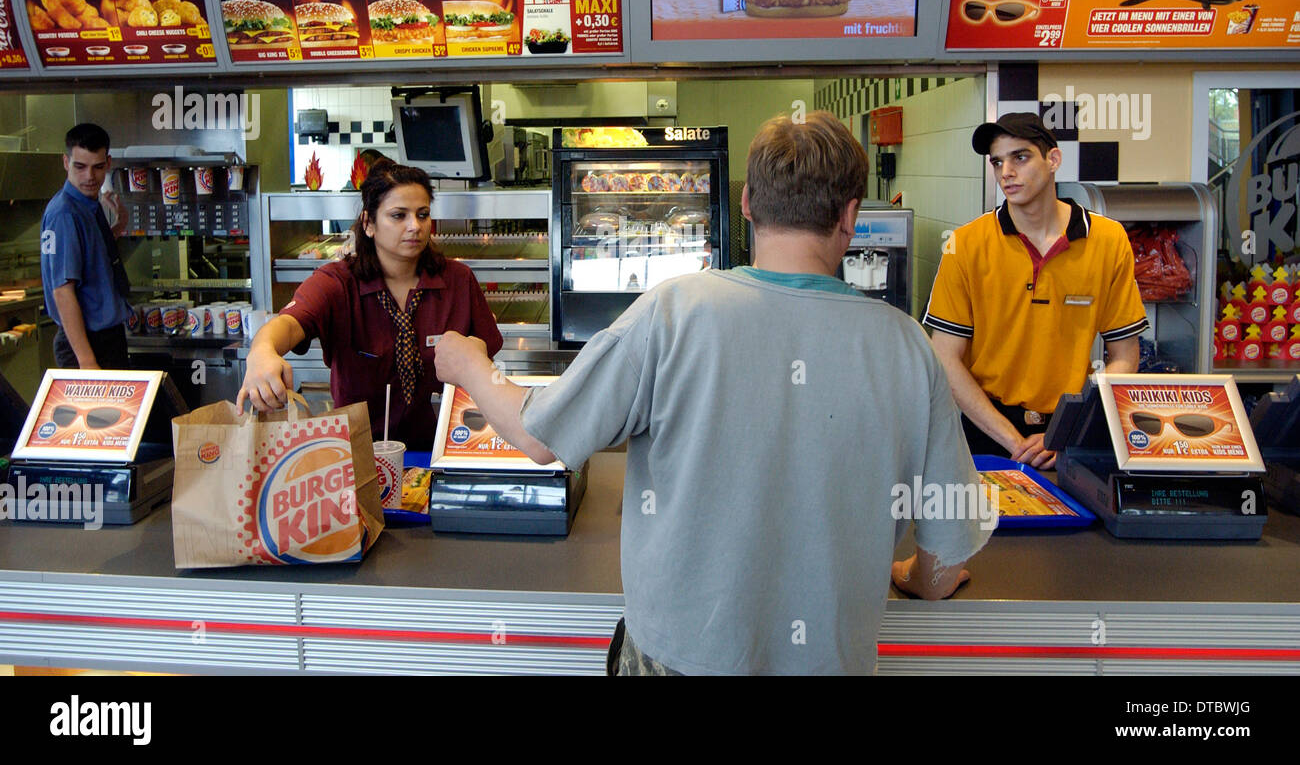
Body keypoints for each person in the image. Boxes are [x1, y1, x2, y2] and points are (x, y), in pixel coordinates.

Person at [435, 111, 988, 676]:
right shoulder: (906, 345)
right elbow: (942, 564)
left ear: (747, 203)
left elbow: (539, 437)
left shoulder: (672, 311)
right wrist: (911, 574)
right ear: (850, 216)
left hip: (680, 659)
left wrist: (473, 366)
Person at [922, 113, 1147, 470]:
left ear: (1053, 160)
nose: (1005, 172)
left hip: (1069, 431)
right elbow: (945, 358)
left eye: (1020, 157)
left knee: (1080, 527)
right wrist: (1014, 441)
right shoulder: (965, 245)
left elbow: (1124, 356)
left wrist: (1070, 430)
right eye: (997, 162)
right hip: (984, 430)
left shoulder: (1108, 240)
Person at [237, 160, 502, 452]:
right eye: (398, 215)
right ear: (369, 224)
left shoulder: (457, 280)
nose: (415, 226)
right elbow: (289, 323)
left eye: (422, 214)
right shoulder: (338, 283)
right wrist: (262, 351)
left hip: (444, 449)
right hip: (360, 456)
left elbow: (486, 357)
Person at [41, 123, 133, 370]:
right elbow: (62, 291)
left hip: (108, 337)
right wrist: (86, 360)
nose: (89, 177)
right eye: (80, 167)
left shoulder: (89, 204)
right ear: (65, 162)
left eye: (98, 167)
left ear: (108, 163)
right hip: (88, 344)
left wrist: (119, 226)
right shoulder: (65, 213)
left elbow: (91, 256)